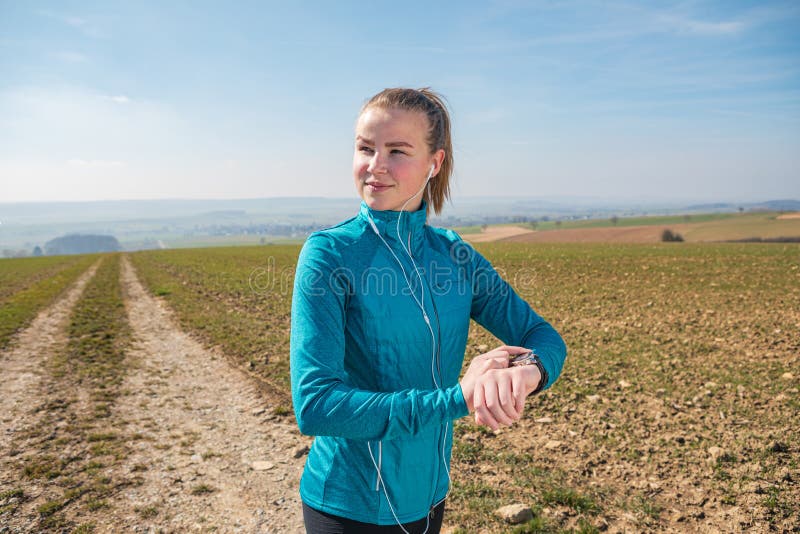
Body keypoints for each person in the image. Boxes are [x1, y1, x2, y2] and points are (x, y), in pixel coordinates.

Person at [290, 87, 567, 533]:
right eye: (365, 148)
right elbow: (317, 405)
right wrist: (459, 397)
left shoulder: (455, 257)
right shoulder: (329, 254)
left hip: (431, 497)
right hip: (347, 507)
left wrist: (528, 371)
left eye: (397, 150)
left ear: (434, 163)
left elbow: (543, 336)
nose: (375, 165)